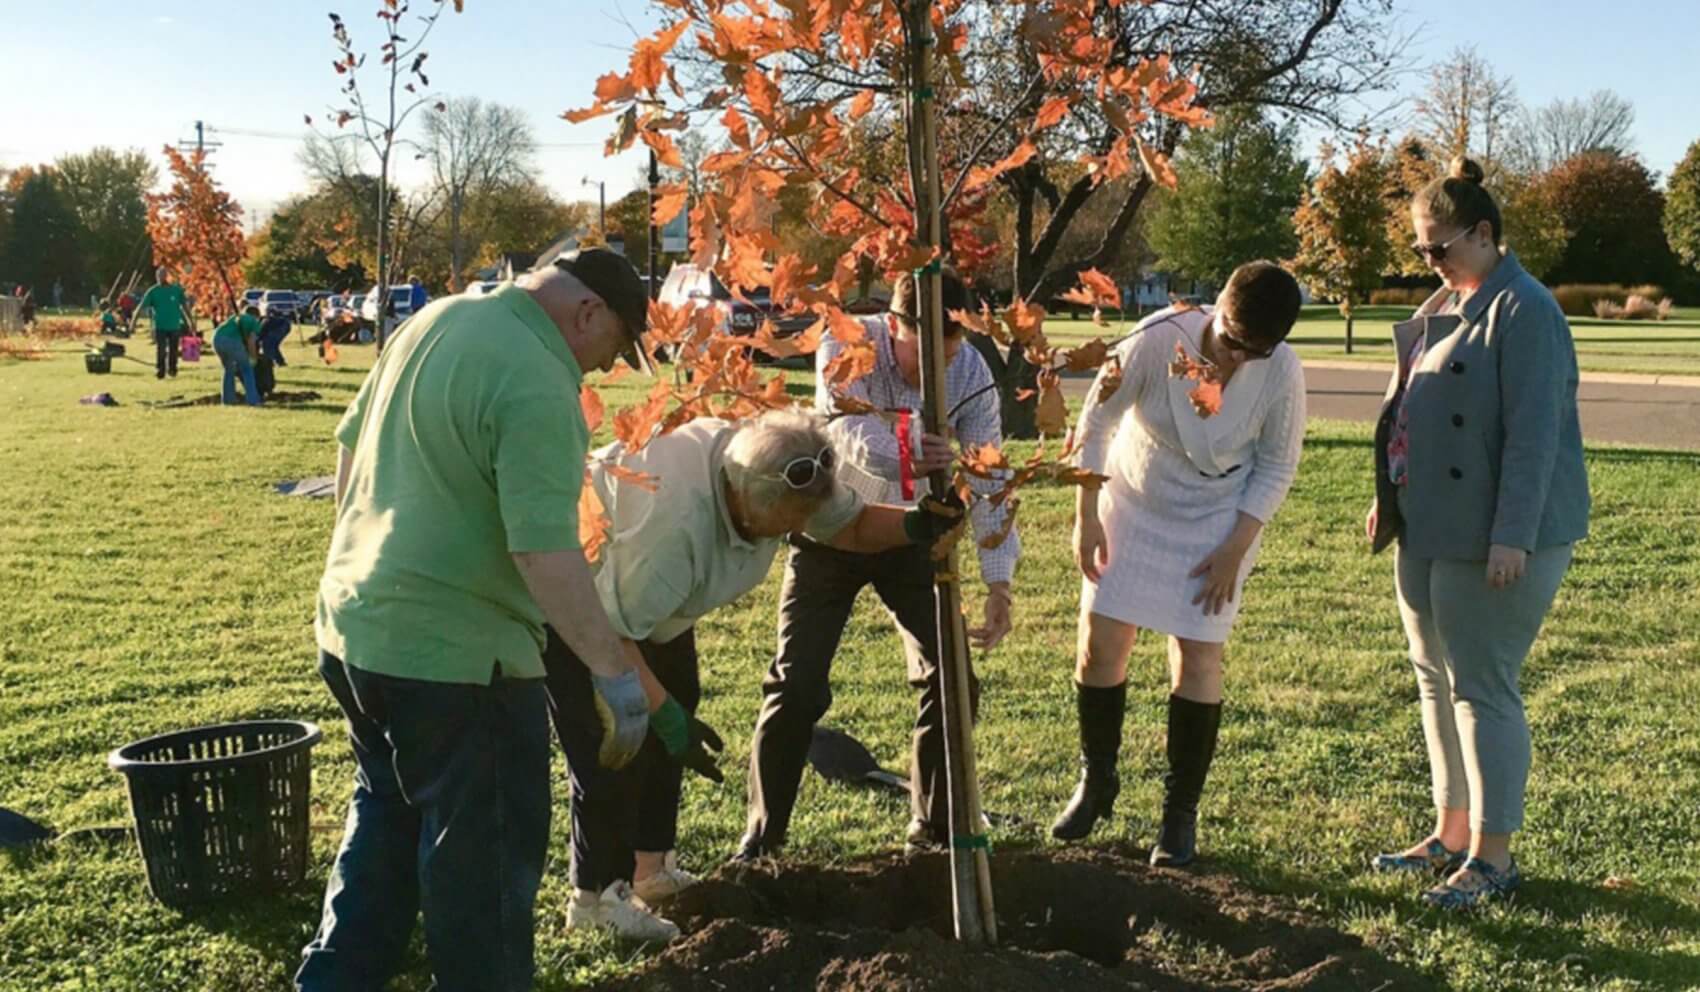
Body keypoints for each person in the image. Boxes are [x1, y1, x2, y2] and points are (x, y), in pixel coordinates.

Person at [296, 248, 657, 992]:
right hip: (461, 667)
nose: (602, 367)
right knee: (483, 877)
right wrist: (614, 674)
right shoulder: (538, 377)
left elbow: (348, 452)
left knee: (385, 820)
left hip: (355, 629)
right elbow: (542, 550)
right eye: (614, 347)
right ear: (587, 311)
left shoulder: (436, 319)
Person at [548, 410, 965, 941]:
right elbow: (613, 638)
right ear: (748, 503)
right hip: (579, 603)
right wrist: (665, 715)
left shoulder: (789, 469)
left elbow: (851, 526)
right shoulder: (673, 532)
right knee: (618, 737)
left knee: (679, 698)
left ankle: (650, 871)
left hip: (650, 611)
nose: (797, 532)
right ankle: (595, 898)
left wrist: (915, 525)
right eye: (789, 524)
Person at [1367, 157, 1590, 910]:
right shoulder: (1449, 299)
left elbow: (1536, 435)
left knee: (1482, 687)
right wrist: (1390, 494)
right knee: (1434, 678)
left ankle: (1493, 857)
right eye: (1421, 249)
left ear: (1485, 234)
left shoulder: (1527, 310)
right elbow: (1407, 409)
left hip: (1495, 531)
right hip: (1429, 522)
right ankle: (1450, 832)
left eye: (1440, 247)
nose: (1428, 260)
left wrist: (1513, 536)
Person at [739, 269, 1020, 859]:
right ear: (894, 326)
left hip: (912, 538)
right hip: (830, 532)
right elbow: (843, 432)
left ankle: (932, 831)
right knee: (796, 686)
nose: (938, 369)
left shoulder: (970, 371)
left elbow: (990, 475)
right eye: (925, 353)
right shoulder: (847, 341)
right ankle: (763, 842)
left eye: (950, 353)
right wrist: (910, 450)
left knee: (952, 680)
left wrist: (999, 583)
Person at [1056, 261, 1306, 868]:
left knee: (1198, 654)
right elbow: (1097, 420)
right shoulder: (1157, 337)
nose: (1239, 359)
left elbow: (1277, 466)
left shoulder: (1281, 370)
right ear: (1217, 308)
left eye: (1256, 351)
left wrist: (1234, 549)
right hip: (1134, 497)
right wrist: (1086, 514)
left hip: (1217, 517)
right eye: (1232, 342)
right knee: (1099, 645)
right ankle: (1097, 780)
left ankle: (1178, 814)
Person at [127, 268, 196, 379]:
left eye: (162, 275)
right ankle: (161, 370)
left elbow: (184, 307)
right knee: (161, 349)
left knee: (173, 349)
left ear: (166, 276)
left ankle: (172, 369)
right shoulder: (153, 291)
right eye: (158, 276)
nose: (160, 278)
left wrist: (190, 321)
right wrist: (133, 322)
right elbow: (141, 307)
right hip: (160, 326)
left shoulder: (176, 290)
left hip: (174, 325)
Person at [212, 306, 264, 406]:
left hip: (216, 339)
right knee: (247, 369)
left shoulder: (237, 317)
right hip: (232, 341)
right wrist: (253, 357)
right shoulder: (254, 321)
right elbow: (251, 341)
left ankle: (228, 399)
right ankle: (253, 400)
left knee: (229, 369)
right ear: (256, 315)